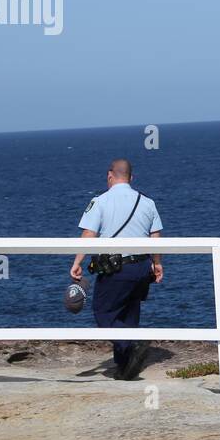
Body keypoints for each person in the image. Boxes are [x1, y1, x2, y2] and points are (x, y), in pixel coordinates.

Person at [69, 159, 163, 380]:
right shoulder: (147, 202)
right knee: (130, 314)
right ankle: (126, 368)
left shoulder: (100, 201)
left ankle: (131, 343)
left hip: (115, 268)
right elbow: (155, 235)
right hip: (142, 266)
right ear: (131, 177)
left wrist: (77, 262)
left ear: (110, 176)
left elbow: (89, 234)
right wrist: (157, 263)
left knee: (104, 313)